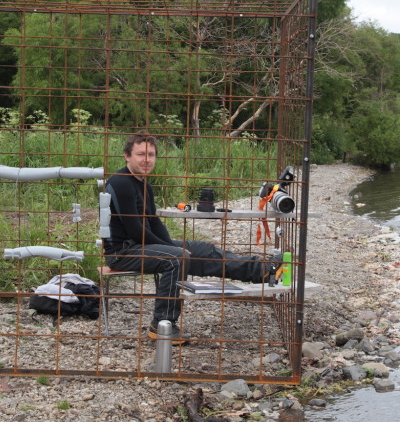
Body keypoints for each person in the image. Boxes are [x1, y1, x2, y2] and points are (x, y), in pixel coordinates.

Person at [103, 131, 274, 344]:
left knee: (201, 249)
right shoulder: (121, 182)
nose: (146, 160)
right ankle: (162, 325)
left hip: (142, 245)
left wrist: (171, 245)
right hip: (123, 252)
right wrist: (175, 250)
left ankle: (263, 270)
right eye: (140, 154)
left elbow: (154, 222)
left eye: (151, 155)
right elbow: (135, 230)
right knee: (177, 258)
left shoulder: (144, 184)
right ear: (127, 156)